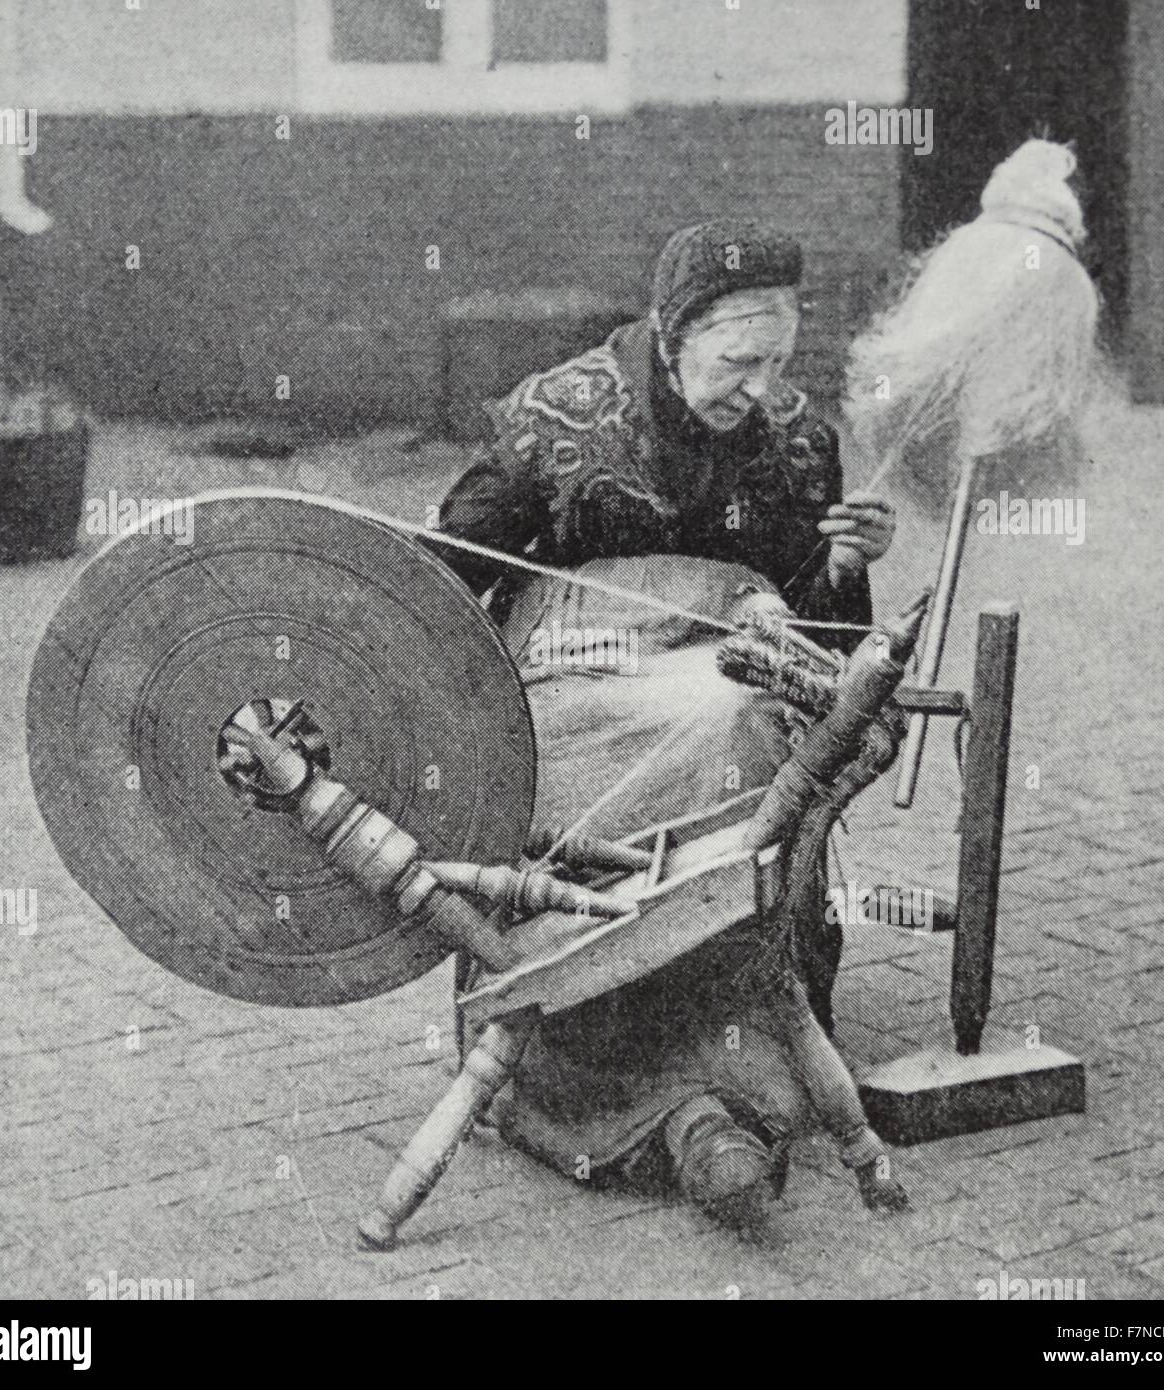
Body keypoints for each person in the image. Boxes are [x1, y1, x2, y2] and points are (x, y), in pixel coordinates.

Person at [431, 220, 905, 1228]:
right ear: (674, 331)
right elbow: (442, 580)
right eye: (738, 360)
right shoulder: (556, 422)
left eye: (776, 360)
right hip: (579, 704)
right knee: (707, 733)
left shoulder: (796, 442)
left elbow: (818, 642)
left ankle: (718, 1074)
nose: (759, 385)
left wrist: (845, 567)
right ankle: (612, 1061)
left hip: (730, 701)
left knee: (743, 725)